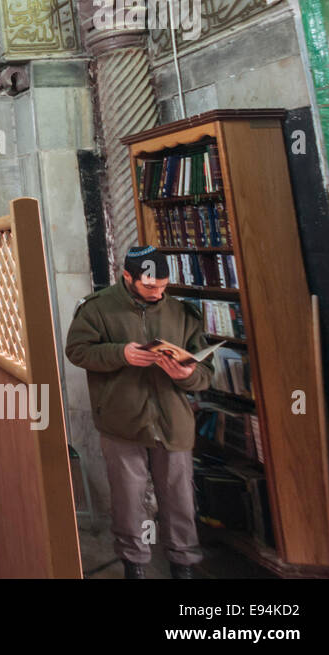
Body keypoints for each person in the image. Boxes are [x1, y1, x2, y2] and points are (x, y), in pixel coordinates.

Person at [65, 245, 212, 579]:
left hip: (173, 422)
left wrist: (188, 375)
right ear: (128, 277)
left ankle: (183, 564)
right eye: (149, 286)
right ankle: (135, 564)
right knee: (129, 501)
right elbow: (77, 351)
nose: (158, 293)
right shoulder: (97, 309)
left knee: (179, 500)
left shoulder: (182, 313)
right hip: (121, 421)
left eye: (163, 286)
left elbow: (206, 372)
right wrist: (122, 354)